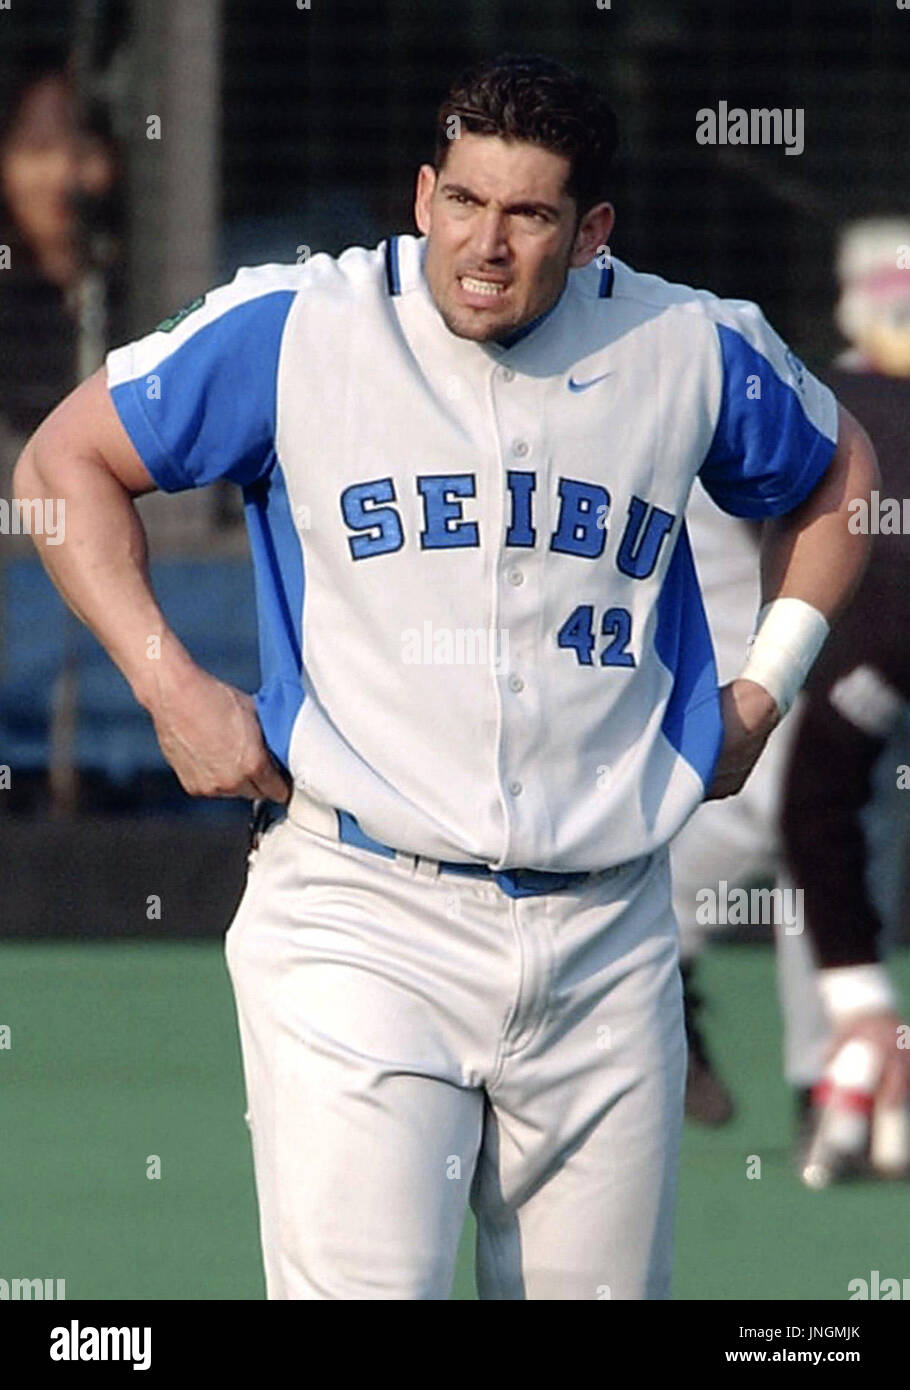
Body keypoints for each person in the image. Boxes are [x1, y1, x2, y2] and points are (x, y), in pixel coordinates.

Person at [14, 54, 877, 1299]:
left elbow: (840, 479)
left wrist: (768, 680)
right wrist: (170, 685)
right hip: (363, 916)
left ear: (591, 233)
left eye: (528, 215)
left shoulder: (686, 344)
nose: (486, 243)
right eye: (463, 201)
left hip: (604, 933)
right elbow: (61, 464)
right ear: (422, 194)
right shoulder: (303, 325)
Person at [673, 220, 910, 1167]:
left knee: (784, 836)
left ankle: (830, 1081)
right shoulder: (795, 398)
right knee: (810, 834)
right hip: (766, 667)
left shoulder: (815, 393)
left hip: (791, 672)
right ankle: (830, 1084)